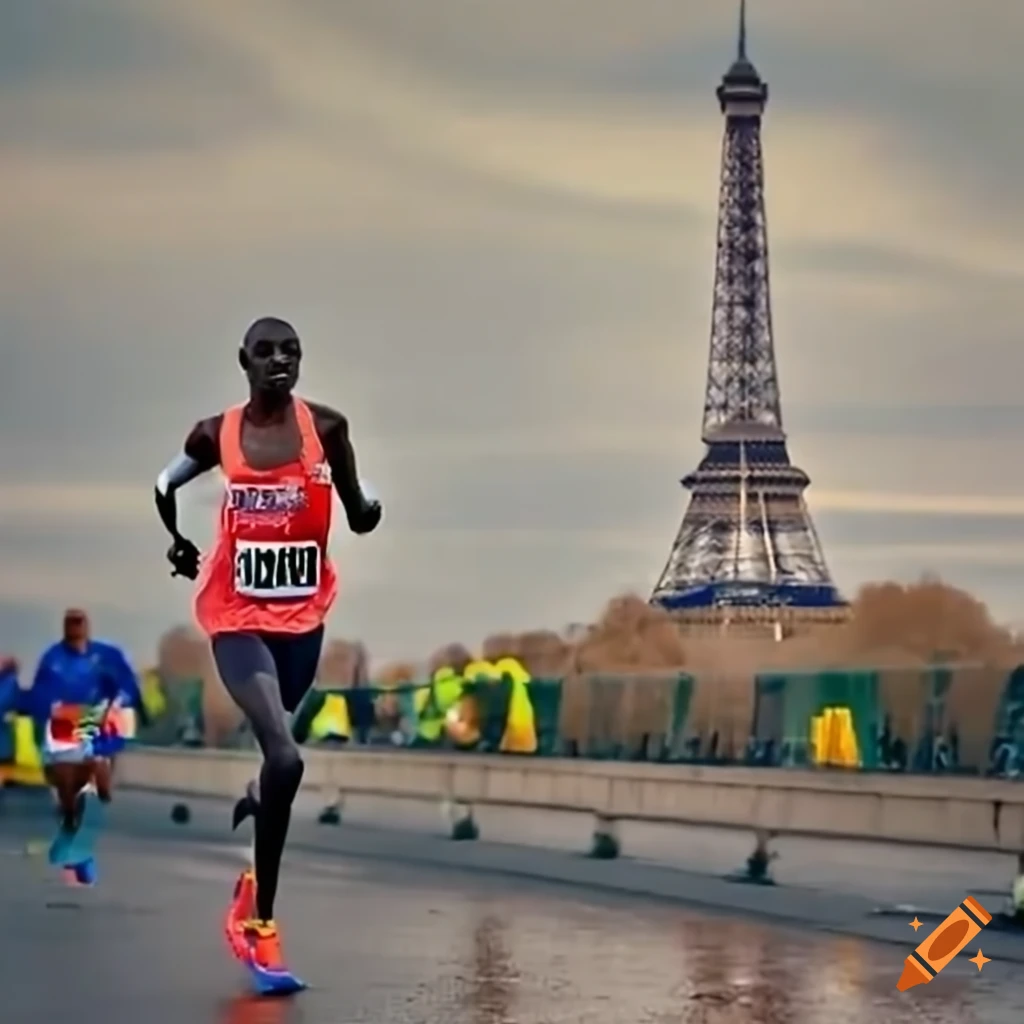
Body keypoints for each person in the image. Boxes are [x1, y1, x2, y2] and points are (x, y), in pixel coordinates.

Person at [153, 316, 381, 993]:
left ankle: (259, 797)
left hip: (303, 618)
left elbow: (356, 506)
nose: (278, 361)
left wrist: (371, 512)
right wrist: (177, 544)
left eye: (290, 351)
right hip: (237, 617)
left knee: (277, 765)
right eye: (265, 352)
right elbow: (164, 484)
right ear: (243, 362)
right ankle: (261, 924)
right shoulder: (217, 433)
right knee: (287, 754)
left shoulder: (329, 430)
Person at [28, 609, 144, 885]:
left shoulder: (106, 655)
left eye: (80, 622)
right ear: (65, 627)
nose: (75, 627)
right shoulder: (52, 659)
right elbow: (39, 696)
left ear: (87, 626)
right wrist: (48, 711)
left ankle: (82, 834)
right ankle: (72, 829)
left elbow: (127, 684)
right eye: (71, 622)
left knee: (97, 787)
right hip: (63, 730)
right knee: (69, 793)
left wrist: (121, 702)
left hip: (96, 728)